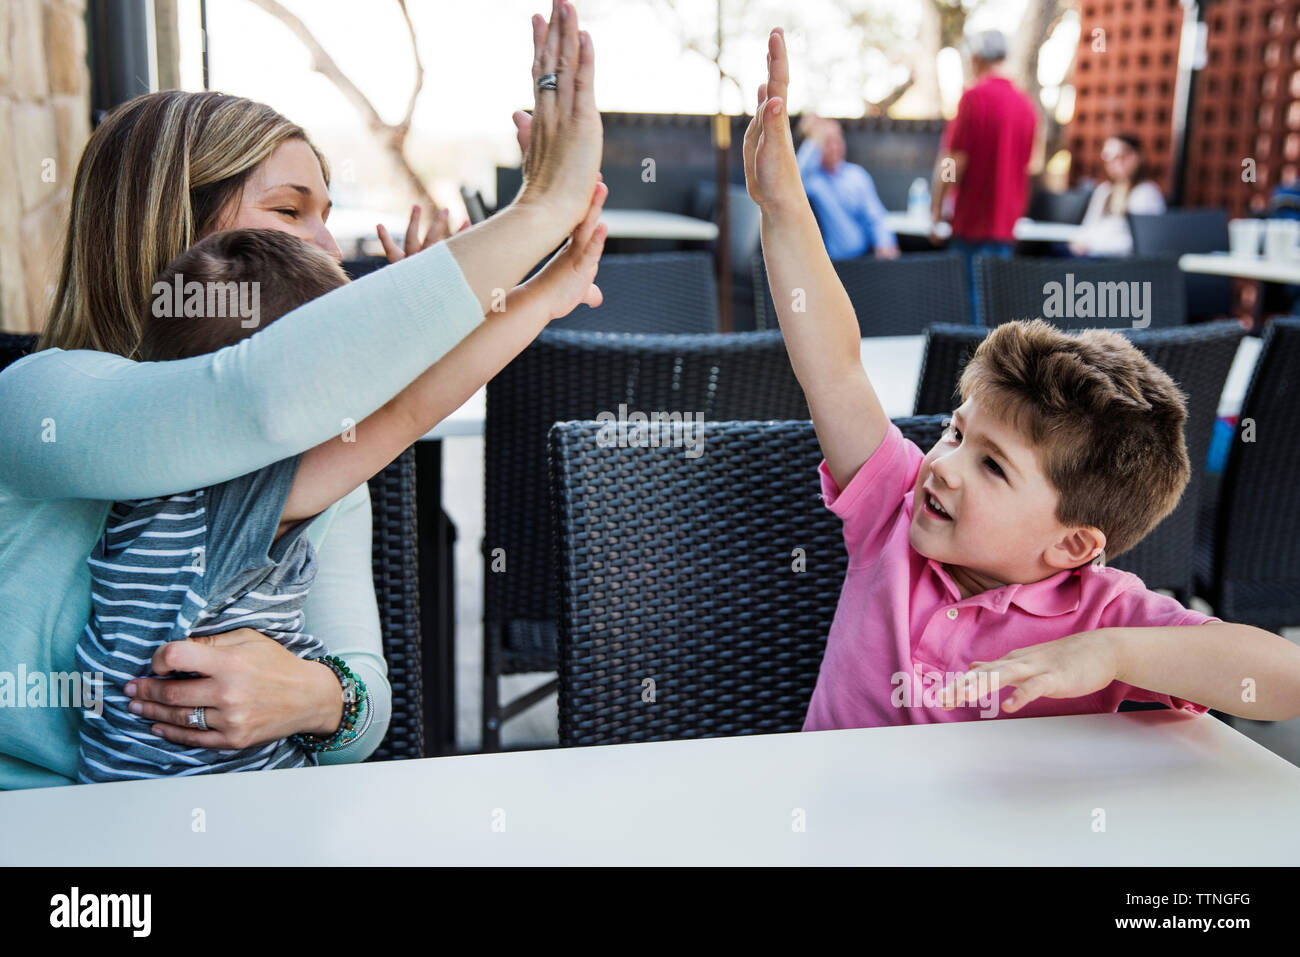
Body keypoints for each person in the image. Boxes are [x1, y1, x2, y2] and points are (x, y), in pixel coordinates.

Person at [0, 0, 602, 789]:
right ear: (176, 227)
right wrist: (541, 211)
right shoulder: (40, 400)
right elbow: (258, 398)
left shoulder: (309, 455)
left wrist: (313, 696)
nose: (329, 247)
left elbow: (366, 704)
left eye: (327, 213)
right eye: (289, 211)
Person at [742, 27, 1300, 730]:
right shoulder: (891, 507)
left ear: (1071, 544)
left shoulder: (1103, 612)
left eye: (994, 466)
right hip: (837, 831)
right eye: (955, 432)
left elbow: (1285, 680)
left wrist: (1109, 653)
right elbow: (834, 365)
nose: (942, 466)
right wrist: (784, 209)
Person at [78, 214, 604, 783]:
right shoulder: (240, 507)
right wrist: (548, 292)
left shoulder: (143, 480)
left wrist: (417, 329)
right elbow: (406, 411)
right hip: (232, 810)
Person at [929, 29, 1037, 320]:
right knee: (995, 306)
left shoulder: (974, 97)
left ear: (975, 58)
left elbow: (953, 162)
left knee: (967, 309)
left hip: (971, 222)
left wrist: (936, 208)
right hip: (1007, 224)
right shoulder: (1026, 105)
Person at [794, 115, 898, 260]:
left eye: (838, 140)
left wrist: (885, 244)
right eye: (828, 142)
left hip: (865, 261)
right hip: (828, 263)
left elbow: (875, 216)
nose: (835, 147)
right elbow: (794, 179)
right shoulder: (813, 180)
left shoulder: (857, 175)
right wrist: (814, 139)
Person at [1069, 134, 1166, 257]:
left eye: (1121, 156)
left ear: (1137, 157)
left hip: (1116, 263)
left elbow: (1139, 242)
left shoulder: (1146, 193)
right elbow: (1088, 226)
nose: (1115, 162)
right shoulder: (1104, 190)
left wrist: (1092, 246)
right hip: (1090, 255)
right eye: (1109, 157)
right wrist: (1079, 242)